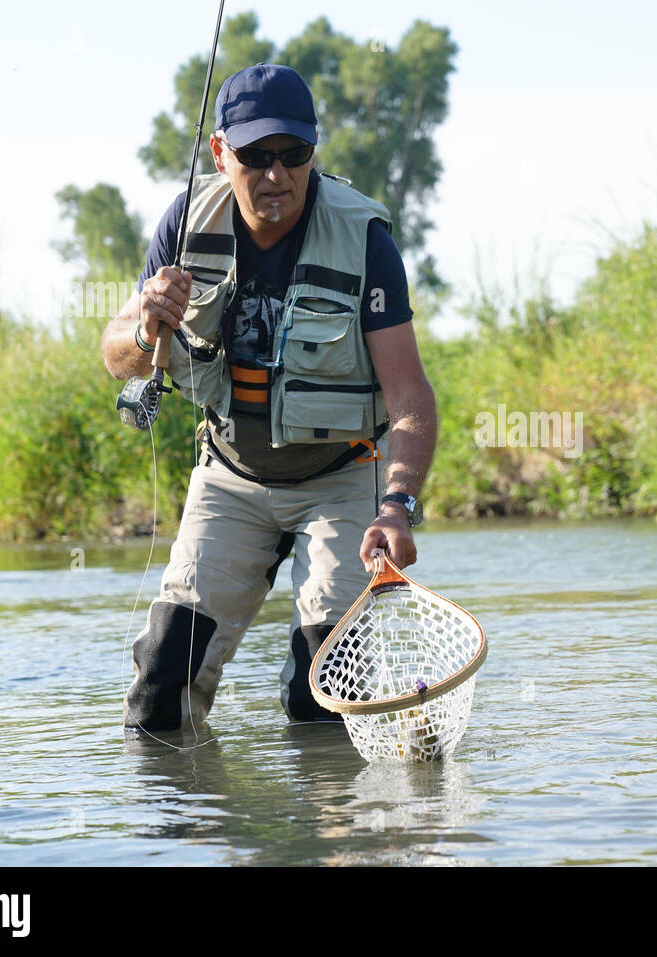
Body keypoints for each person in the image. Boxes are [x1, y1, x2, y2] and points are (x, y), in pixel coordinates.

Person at [101, 63, 436, 734]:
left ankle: (326, 828)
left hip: (341, 478)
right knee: (160, 693)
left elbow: (410, 399)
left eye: (294, 154)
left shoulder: (366, 238)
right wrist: (144, 324)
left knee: (327, 697)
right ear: (222, 153)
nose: (276, 174)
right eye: (255, 156)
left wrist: (398, 504)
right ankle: (183, 833)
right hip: (231, 477)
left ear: (313, 150)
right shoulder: (186, 220)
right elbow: (117, 356)